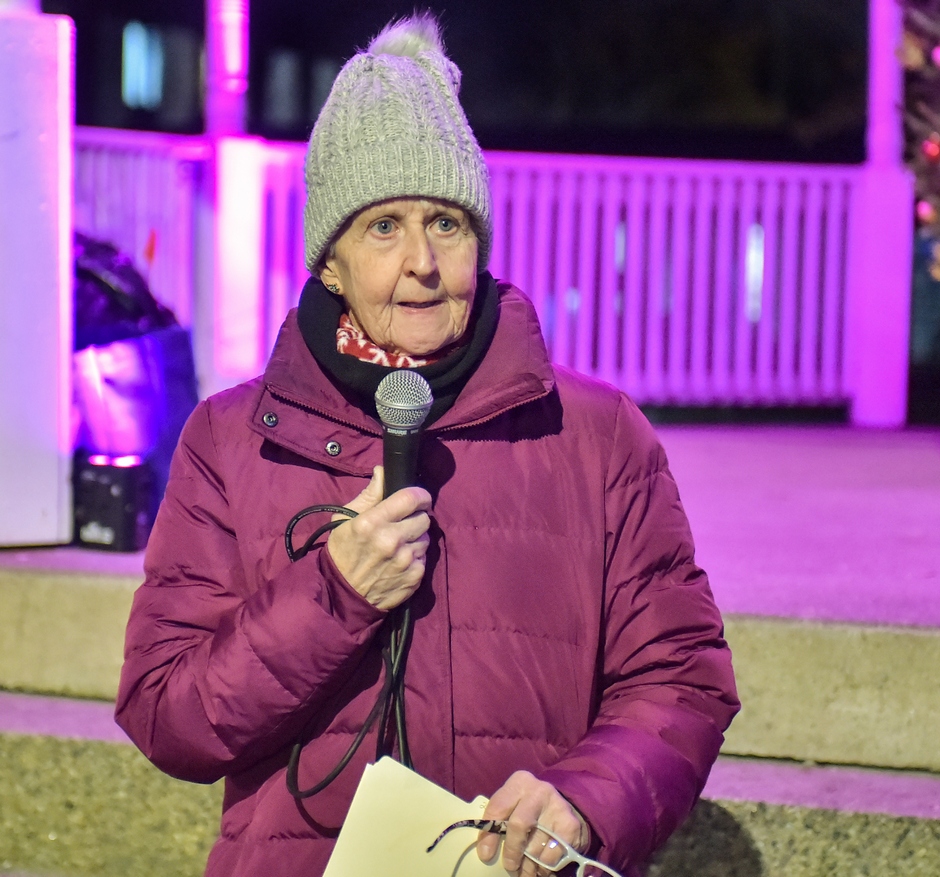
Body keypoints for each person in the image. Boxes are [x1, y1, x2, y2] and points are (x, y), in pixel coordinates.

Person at [115, 13, 739, 877]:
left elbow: (681, 679)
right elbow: (166, 715)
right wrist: (333, 593)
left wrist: (586, 799)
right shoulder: (229, 438)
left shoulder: (597, 435)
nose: (422, 262)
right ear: (327, 261)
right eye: (383, 227)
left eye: (446, 222)